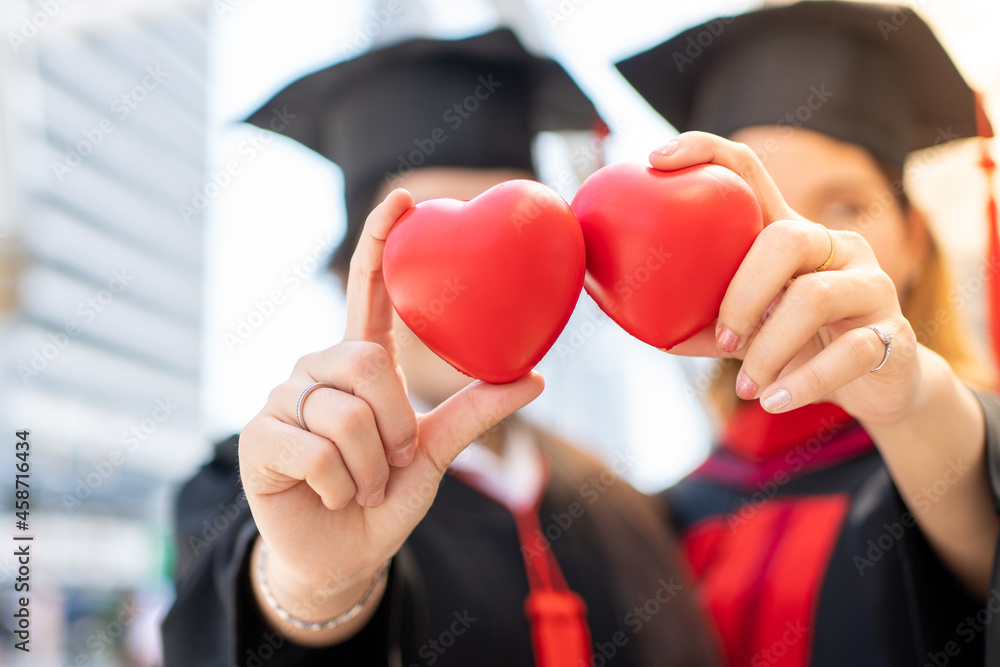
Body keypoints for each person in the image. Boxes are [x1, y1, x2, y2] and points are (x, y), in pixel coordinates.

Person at [161, 29, 720, 667]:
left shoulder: (628, 506)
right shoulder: (272, 488)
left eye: (520, 237)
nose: (481, 277)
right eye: (423, 239)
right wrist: (316, 590)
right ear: (352, 276)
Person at [613, 2, 1000, 665]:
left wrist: (912, 408)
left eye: (845, 207)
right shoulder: (654, 521)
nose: (796, 245)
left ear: (913, 241)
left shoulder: (947, 447)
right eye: (752, 212)